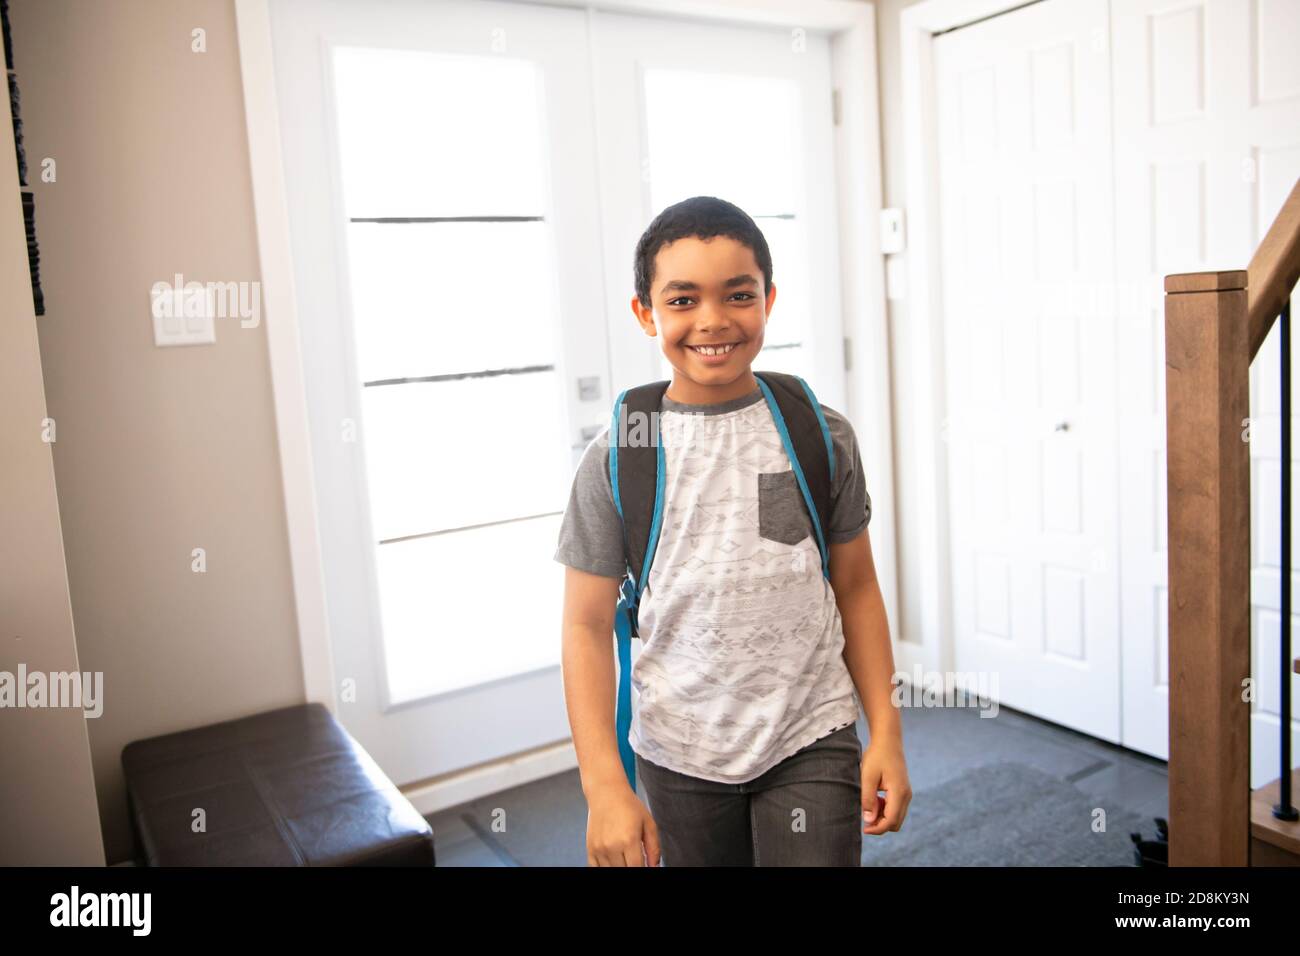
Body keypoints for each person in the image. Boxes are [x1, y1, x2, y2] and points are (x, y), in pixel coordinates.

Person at [554, 195, 909, 866]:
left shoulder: (818, 433)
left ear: (768, 299)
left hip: (811, 731)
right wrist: (603, 784)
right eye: (682, 300)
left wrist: (886, 728)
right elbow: (584, 625)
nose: (712, 320)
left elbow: (856, 586)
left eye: (737, 294)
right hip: (678, 751)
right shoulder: (620, 453)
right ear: (645, 312)